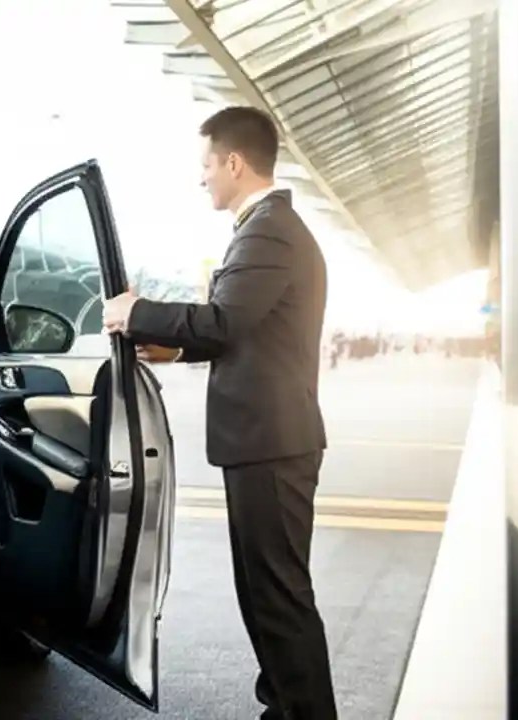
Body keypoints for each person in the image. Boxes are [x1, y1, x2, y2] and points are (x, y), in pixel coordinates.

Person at [102, 106, 336, 719]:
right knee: (266, 596)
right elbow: (237, 330)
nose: (201, 177)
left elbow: (226, 319)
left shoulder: (269, 230)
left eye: (206, 165)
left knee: (279, 598)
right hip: (265, 442)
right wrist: (176, 347)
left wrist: (137, 310)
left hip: (272, 445)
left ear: (233, 162)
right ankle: (283, 708)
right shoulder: (265, 228)